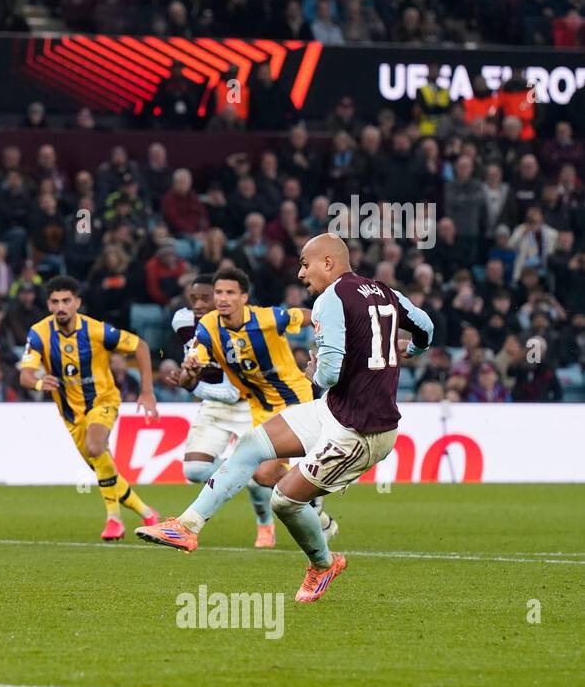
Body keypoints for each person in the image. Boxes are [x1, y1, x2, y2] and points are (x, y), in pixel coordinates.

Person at [140, 235, 435, 603]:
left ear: (328, 262)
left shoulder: (330, 299)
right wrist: (412, 349)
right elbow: (425, 326)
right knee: (251, 445)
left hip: (361, 431)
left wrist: (314, 370)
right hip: (335, 411)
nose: (300, 274)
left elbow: (328, 373)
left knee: (283, 499)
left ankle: (323, 564)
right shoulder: (384, 291)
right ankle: (186, 526)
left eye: (305, 264)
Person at [138, 266, 336, 552]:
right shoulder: (207, 325)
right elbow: (188, 377)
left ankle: (187, 526)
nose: (222, 298)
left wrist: (326, 337)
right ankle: (317, 513)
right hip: (258, 407)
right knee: (264, 475)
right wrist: (189, 373)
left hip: (292, 400)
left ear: (244, 297)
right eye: (219, 292)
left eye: (230, 292)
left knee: (252, 465)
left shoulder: (267, 317)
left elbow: (305, 316)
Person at [18, 276, 160, 541]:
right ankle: (147, 513)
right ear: (48, 304)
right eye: (55, 301)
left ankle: (114, 519)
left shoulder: (97, 330)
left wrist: (147, 391)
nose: (61, 307)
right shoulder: (39, 333)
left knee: (96, 449)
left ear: (77, 303)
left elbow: (140, 346)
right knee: (103, 468)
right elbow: (24, 375)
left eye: (66, 301)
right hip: (70, 414)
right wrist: (38, 382)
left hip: (102, 401)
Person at [170, 275, 278, 547]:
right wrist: (188, 378)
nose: (200, 303)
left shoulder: (237, 329)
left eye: (207, 298)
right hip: (214, 407)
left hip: (247, 404)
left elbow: (233, 391)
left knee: (261, 476)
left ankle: (265, 525)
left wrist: (191, 386)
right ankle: (243, 474)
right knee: (195, 469)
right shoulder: (182, 322)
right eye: (195, 298)